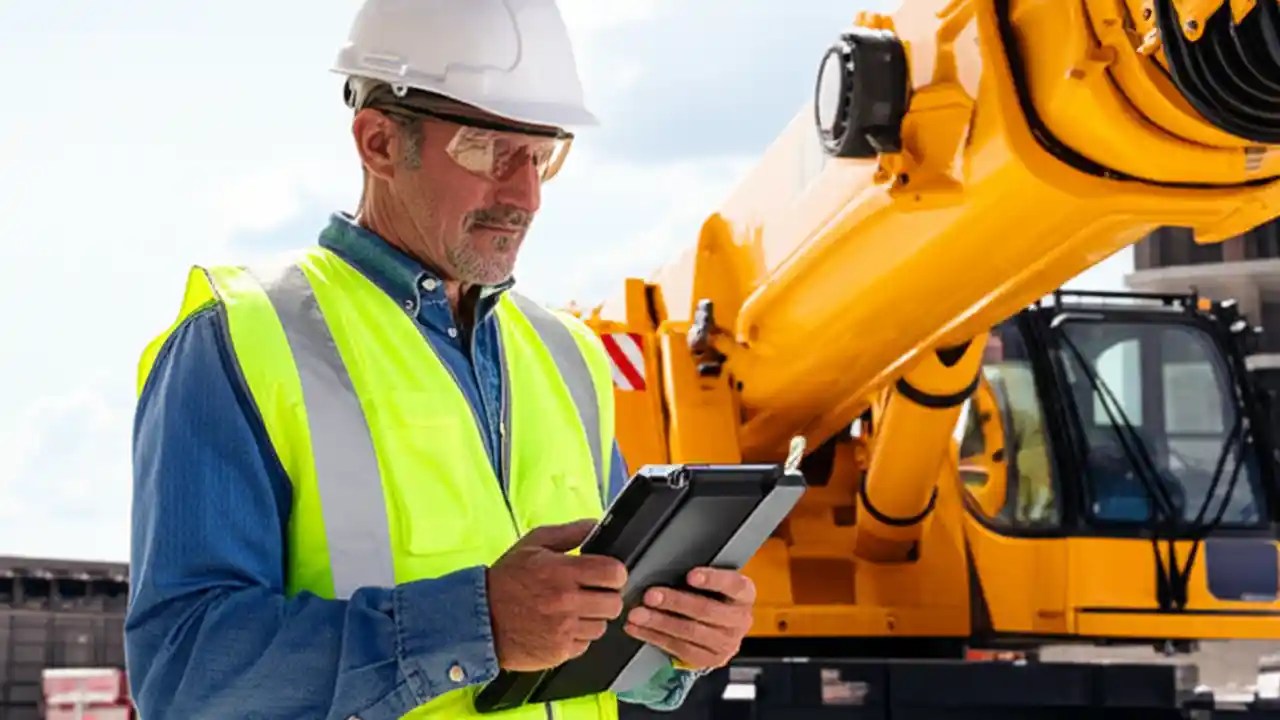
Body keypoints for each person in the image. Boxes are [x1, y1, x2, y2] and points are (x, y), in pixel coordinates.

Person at [123, 1, 757, 718]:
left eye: (543, 154)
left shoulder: (569, 357)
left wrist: (673, 637)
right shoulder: (238, 339)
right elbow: (185, 678)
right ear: (379, 143)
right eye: (488, 151)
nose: (527, 195)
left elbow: (589, 633)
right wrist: (473, 624)